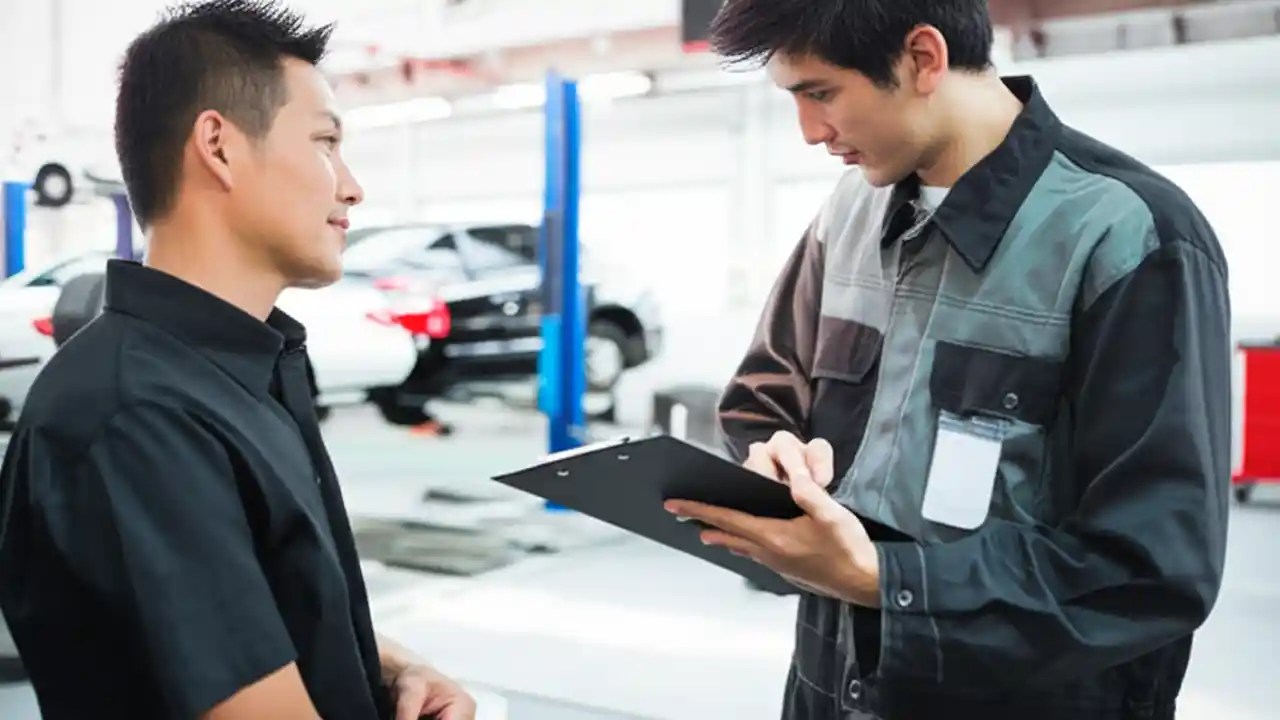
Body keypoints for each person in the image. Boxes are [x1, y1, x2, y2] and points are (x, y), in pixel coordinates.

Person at [664, 1, 1231, 719]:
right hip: (826, 689)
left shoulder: (1128, 236)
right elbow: (764, 398)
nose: (809, 132)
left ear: (923, 58)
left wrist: (884, 579)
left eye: (819, 92)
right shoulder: (847, 214)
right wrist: (770, 458)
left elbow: (1151, 570)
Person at [0, 2, 475, 718]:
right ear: (218, 146)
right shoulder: (137, 417)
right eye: (325, 142)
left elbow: (255, 599)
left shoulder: (234, 372)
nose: (351, 186)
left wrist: (388, 663)